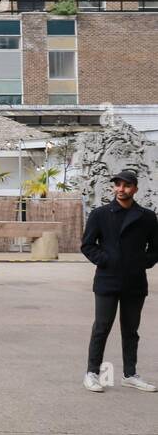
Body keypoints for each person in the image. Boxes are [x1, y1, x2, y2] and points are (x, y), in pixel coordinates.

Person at [80, 168, 158, 392]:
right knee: (102, 327)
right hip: (107, 279)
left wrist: (142, 262)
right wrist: (106, 260)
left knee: (131, 329)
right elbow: (87, 245)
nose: (120, 189)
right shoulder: (100, 214)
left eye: (126, 185)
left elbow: (156, 248)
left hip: (135, 281)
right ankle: (92, 373)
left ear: (135, 188)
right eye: (117, 185)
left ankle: (130, 374)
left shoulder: (147, 217)